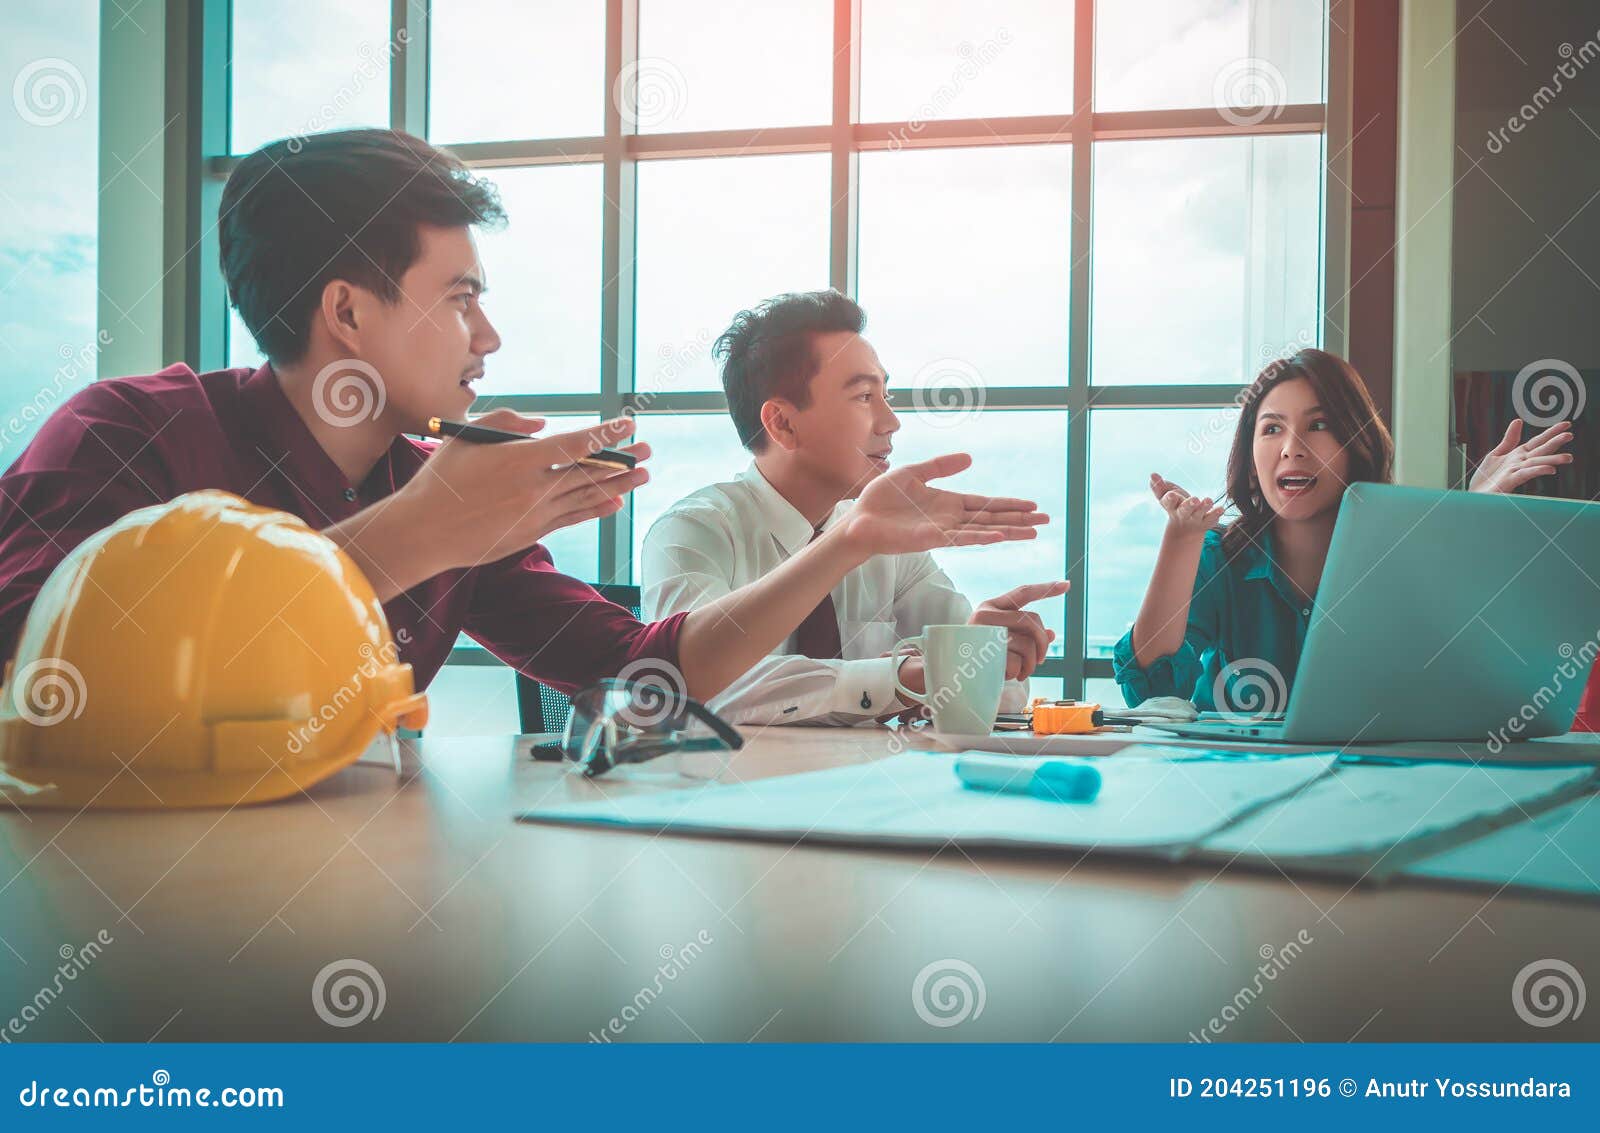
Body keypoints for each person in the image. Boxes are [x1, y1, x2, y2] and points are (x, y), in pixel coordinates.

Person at [0, 131, 1049, 710]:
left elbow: (648, 673)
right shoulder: (126, 433)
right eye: (460, 298)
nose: (489, 336)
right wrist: (418, 533)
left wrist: (847, 542)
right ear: (348, 313)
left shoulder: (446, 489)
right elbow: (34, 672)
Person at [641, 290, 1066, 725]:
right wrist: (909, 677)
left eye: (886, 395)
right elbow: (701, 686)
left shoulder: (888, 538)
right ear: (782, 423)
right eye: (864, 396)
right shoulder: (692, 532)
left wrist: (979, 653)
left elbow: (1003, 693)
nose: (891, 421)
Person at [1114, 348, 1574, 711]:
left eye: (1319, 425)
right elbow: (1151, 692)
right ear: (1251, 460)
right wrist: (1181, 539)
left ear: (1358, 446)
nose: (1291, 448)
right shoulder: (1219, 555)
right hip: (1232, 782)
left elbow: (1471, 679)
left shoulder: (1406, 552)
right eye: (1271, 429)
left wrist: (1471, 515)